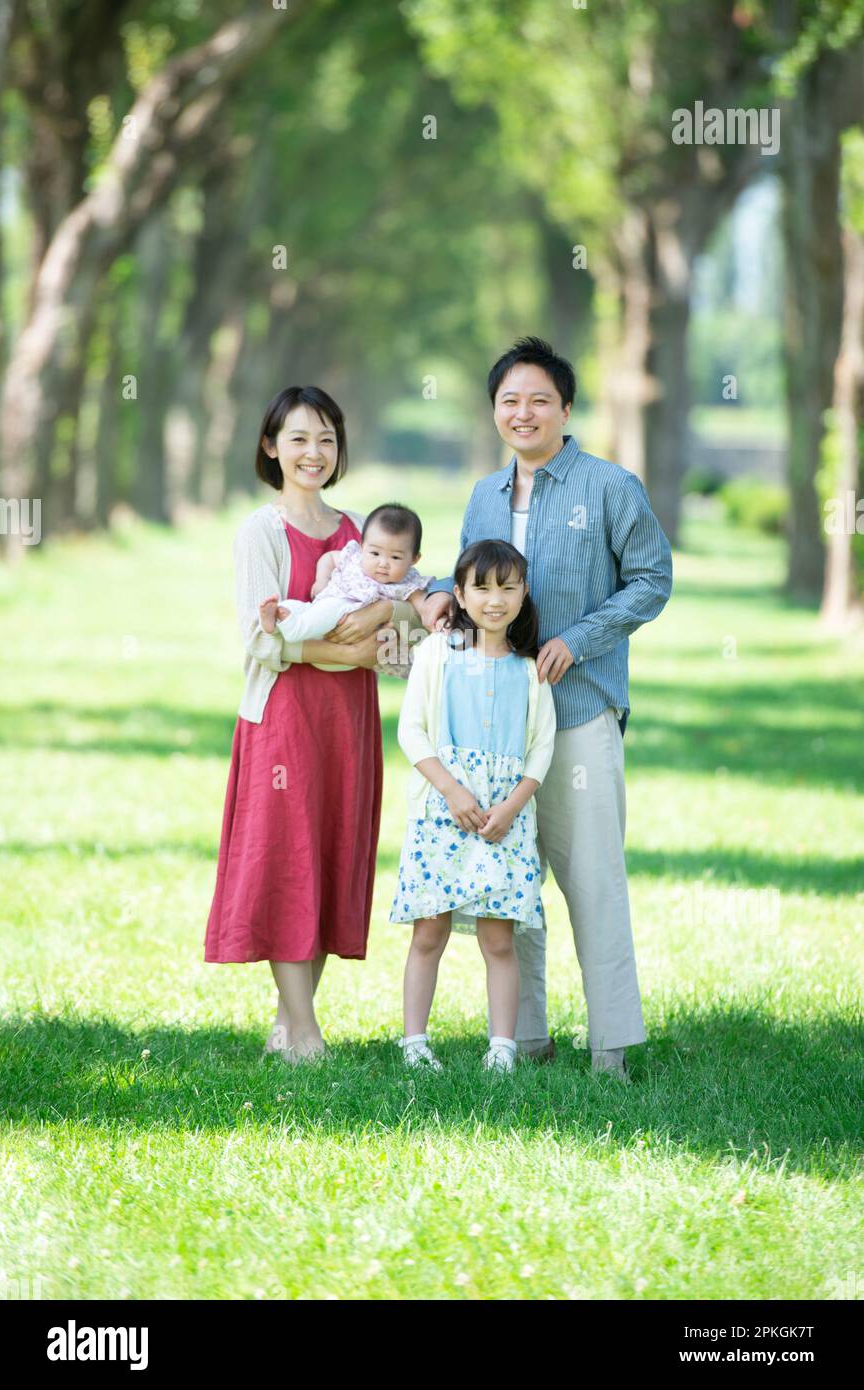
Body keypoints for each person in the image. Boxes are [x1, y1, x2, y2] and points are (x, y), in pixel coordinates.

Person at [421, 337, 673, 1081]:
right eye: (508, 400)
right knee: (506, 882)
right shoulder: (482, 495)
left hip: (578, 710)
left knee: (592, 877)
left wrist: (581, 638)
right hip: (494, 723)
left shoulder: (608, 487)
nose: (522, 412)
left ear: (565, 408)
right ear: (493, 410)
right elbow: (474, 574)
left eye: (538, 400)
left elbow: (651, 578)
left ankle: (612, 1049)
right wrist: (434, 585)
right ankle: (523, 1038)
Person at [203, 385, 427, 1063]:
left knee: (329, 855)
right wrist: (340, 650)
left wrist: (388, 621)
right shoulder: (260, 532)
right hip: (283, 721)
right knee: (285, 858)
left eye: (326, 438)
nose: (313, 452)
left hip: (348, 721)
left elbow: (411, 609)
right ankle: (303, 1032)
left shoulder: (362, 529)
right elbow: (258, 639)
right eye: (298, 438)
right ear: (270, 447)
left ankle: (290, 1021)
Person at [390, 540, 557, 1073]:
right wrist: (452, 791)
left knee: (498, 936)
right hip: (443, 812)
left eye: (507, 587)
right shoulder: (438, 653)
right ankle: (415, 1044)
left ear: (524, 593)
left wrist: (510, 807)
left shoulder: (531, 667)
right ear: (458, 594)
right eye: (481, 588)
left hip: (505, 821)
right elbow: (411, 731)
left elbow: (542, 749)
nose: (494, 599)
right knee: (430, 930)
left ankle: (502, 1050)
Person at [260, 503, 432, 650]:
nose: (383, 563)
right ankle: (275, 620)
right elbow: (329, 558)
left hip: (349, 615)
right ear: (362, 545)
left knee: (323, 613)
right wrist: (322, 580)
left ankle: (293, 629)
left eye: (395, 557)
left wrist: (435, 618)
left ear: (414, 559)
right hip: (332, 604)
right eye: (375, 553)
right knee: (301, 609)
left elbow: (423, 605)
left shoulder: (408, 583)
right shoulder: (354, 556)